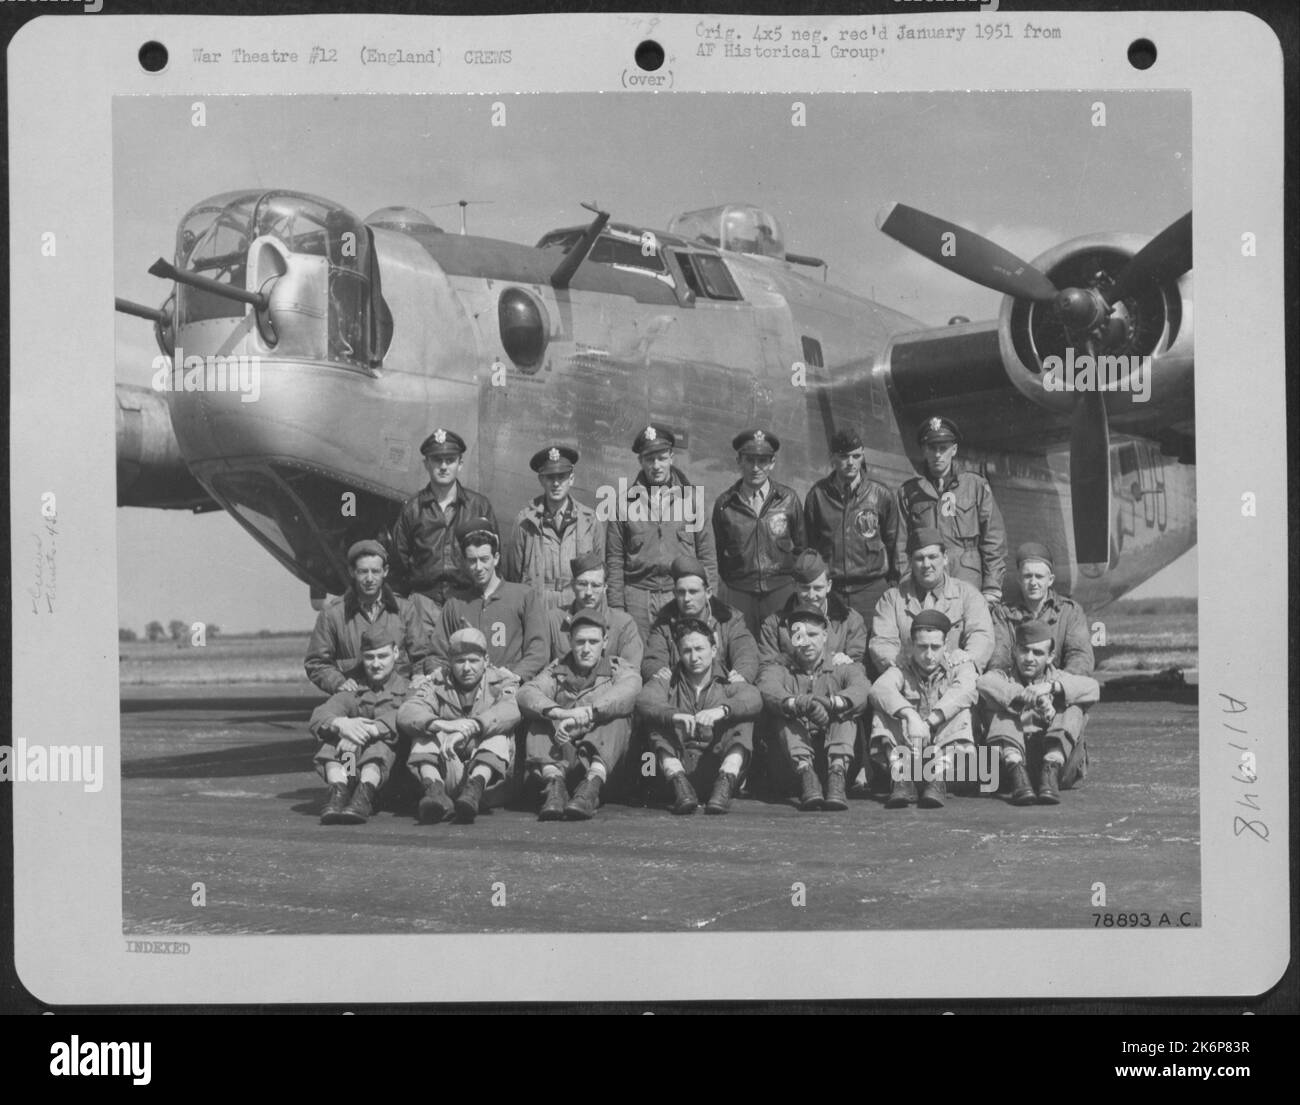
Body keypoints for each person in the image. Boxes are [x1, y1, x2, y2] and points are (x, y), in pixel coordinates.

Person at [517, 609, 642, 821]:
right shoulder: (557, 669)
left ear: (604, 642)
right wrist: (561, 713)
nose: (586, 649)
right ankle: (554, 788)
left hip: (603, 765)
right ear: (570, 641)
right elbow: (526, 692)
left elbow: (631, 687)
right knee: (539, 719)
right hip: (563, 760)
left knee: (618, 718)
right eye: (580, 642)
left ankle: (591, 789)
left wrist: (589, 714)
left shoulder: (617, 668)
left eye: (593, 642)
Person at [635, 619, 764, 816]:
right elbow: (645, 700)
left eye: (699, 649)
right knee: (655, 720)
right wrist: (673, 715)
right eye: (687, 651)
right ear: (679, 653)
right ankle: (679, 783)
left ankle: (726, 781)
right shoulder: (667, 681)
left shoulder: (728, 681)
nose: (694, 657)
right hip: (674, 774)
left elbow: (754, 698)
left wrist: (722, 710)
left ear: (713, 650)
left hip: (715, 771)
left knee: (743, 717)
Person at [396, 628, 522, 825]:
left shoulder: (502, 679)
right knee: (424, 731)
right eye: (460, 661)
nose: (466, 668)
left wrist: (472, 726)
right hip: (449, 768)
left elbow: (510, 710)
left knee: (498, 734)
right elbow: (408, 711)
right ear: (449, 662)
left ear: (486, 660)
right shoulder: (437, 681)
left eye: (473, 660)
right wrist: (443, 725)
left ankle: (474, 791)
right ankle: (434, 791)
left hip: (489, 780)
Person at [605, 424, 719, 639]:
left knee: (682, 655)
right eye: (649, 459)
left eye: (662, 458)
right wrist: (617, 608)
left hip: (680, 595)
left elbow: (707, 557)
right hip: (637, 596)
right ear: (640, 461)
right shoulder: (623, 504)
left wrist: (708, 603)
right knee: (638, 660)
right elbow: (615, 560)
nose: (656, 465)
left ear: (671, 457)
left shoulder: (693, 500)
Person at [756, 604, 870, 812]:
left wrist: (833, 702)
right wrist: (798, 703)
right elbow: (767, 687)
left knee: (846, 714)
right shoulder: (780, 668)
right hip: (792, 768)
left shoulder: (841, 665)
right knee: (785, 714)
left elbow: (862, 689)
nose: (806, 642)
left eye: (812, 634)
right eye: (798, 636)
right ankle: (806, 772)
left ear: (825, 636)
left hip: (836, 757)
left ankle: (837, 774)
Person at [977, 620, 1100, 805]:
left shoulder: (1059, 678)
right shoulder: (1002, 678)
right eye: (1024, 650)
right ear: (1014, 651)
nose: (1029, 658)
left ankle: (1051, 765)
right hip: (1008, 773)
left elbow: (1092, 688)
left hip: (1058, 773)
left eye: (1037, 653)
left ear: (1050, 656)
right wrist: (1027, 697)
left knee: (1074, 706)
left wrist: (1051, 688)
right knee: (1002, 706)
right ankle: (1016, 767)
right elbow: (983, 682)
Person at [390, 428, 498, 635]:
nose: (443, 466)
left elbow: (495, 560)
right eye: (437, 460)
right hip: (423, 605)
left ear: (460, 463)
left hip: (469, 601)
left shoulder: (479, 506)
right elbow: (398, 561)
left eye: (450, 460)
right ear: (426, 464)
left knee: (469, 664)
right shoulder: (412, 509)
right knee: (424, 664)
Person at [868, 609, 979, 809]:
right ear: (911, 646)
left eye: (935, 647)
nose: (929, 655)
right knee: (884, 709)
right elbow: (879, 689)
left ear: (946, 646)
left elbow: (967, 689)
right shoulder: (901, 667)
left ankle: (937, 779)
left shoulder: (960, 665)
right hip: (909, 754)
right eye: (922, 647)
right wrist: (910, 715)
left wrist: (928, 722)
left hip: (947, 760)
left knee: (961, 710)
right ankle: (901, 778)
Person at [895, 417, 1006, 604]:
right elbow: (901, 544)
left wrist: (992, 587)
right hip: (925, 583)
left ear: (953, 450)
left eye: (943, 448)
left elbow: (994, 540)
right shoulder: (908, 492)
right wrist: (906, 584)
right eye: (932, 448)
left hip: (968, 581)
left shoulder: (975, 486)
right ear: (924, 450)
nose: (937, 454)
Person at [310, 627, 410, 825]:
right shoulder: (355, 691)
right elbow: (320, 715)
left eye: (382, 656)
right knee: (335, 743)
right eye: (369, 657)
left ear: (395, 654)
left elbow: (408, 716)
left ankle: (364, 794)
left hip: (394, 779)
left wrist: (364, 731)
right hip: (354, 771)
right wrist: (342, 724)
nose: (376, 664)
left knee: (380, 746)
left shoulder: (409, 689)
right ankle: (341, 790)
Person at [711, 429, 806, 637]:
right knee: (741, 647)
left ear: (772, 462)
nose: (756, 468)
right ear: (739, 461)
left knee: (783, 647)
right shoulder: (724, 504)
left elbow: (801, 546)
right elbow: (717, 551)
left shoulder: (788, 499)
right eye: (749, 460)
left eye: (762, 460)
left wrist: (790, 583)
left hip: (780, 590)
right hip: (739, 592)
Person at [304, 540, 431, 694]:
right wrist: (338, 682)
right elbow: (316, 662)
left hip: (398, 698)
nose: (370, 579)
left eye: (375, 571)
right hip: (355, 698)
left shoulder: (405, 609)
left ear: (385, 571)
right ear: (352, 572)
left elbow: (422, 655)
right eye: (363, 571)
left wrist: (419, 675)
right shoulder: (332, 614)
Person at [429, 518, 548, 682]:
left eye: (484, 559)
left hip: (508, 688)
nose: (478, 568)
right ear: (464, 562)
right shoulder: (455, 604)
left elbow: (538, 649)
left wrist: (516, 675)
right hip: (464, 690)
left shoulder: (523, 596)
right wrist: (442, 675)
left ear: (496, 558)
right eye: (472, 561)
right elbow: (437, 654)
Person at [803, 428, 901, 624]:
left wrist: (893, 585)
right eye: (844, 456)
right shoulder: (818, 495)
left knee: (873, 646)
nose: (850, 463)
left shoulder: (881, 495)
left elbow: (893, 543)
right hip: (833, 589)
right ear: (832, 458)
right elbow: (810, 545)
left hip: (871, 589)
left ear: (862, 456)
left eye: (856, 456)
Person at [870, 527, 994, 676]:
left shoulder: (968, 595)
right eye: (919, 558)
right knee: (881, 691)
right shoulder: (891, 599)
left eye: (932, 557)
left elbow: (981, 634)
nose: (926, 564)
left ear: (945, 557)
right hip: (907, 676)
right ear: (910, 562)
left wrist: (968, 656)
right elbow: (882, 641)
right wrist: (897, 661)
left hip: (953, 676)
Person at [504, 444, 604, 610]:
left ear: (571, 479)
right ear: (541, 479)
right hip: (537, 606)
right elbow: (513, 576)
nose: (556, 483)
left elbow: (599, 572)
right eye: (550, 477)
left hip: (576, 604)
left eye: (562, 476)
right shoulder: (525, 521)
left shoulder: (589, 520)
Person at [641, 556, 759, 684]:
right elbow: (652, 658)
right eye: (681, 592)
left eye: (693, 591)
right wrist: (658, 671)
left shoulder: (729, 620)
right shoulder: (664, 623)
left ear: (708, 593)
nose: (686, 598)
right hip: (678, 689)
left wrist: (741, 675)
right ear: (674, 593)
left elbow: (746, 653)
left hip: (721, 688)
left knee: (751, 698)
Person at [990, 542, 1095, 675]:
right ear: (1019, 579)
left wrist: (1056, 685)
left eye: (1039, 577)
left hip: (1058, 685)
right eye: (1027, 576)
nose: (1033, 583)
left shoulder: (1070, 612)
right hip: (1015, 687)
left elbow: (1080, 657)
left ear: (1050, 580)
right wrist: (1012, 687)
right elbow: (999, 659)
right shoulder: (1002, 614)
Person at [758, 550, 867, 666]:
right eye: (805, 588)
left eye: (818, 588)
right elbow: (765, 669)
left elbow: (859, 668)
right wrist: (778, 664)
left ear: (829, 586)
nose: (811, 595)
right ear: (794, 585)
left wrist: (848, 664)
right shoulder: (774, 625)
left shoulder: (850, 621)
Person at [546, 552, 644, 669]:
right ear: (572, 585)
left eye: (596, 585)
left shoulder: (623, 625)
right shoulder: (553, 621)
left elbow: (630, 674)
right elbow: (540, 668)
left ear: (605, 588)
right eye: (582, 584)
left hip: (610, 686)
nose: (588, 592)